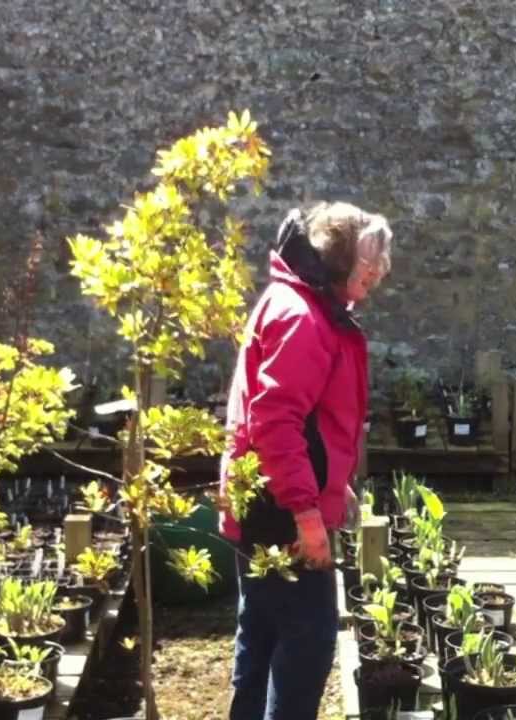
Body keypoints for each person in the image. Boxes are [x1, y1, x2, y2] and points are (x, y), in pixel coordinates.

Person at [218, 201, 392, 720]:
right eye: (370, 265)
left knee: (264, 635)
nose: (378, 276)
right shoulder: (302, 316)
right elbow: (275, 423)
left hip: (265, 500)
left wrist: (334, 486)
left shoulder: (301, 301)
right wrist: (306, 512)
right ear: (342, 260)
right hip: (279, 512)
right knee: (308, 647)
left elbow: (312, 421)